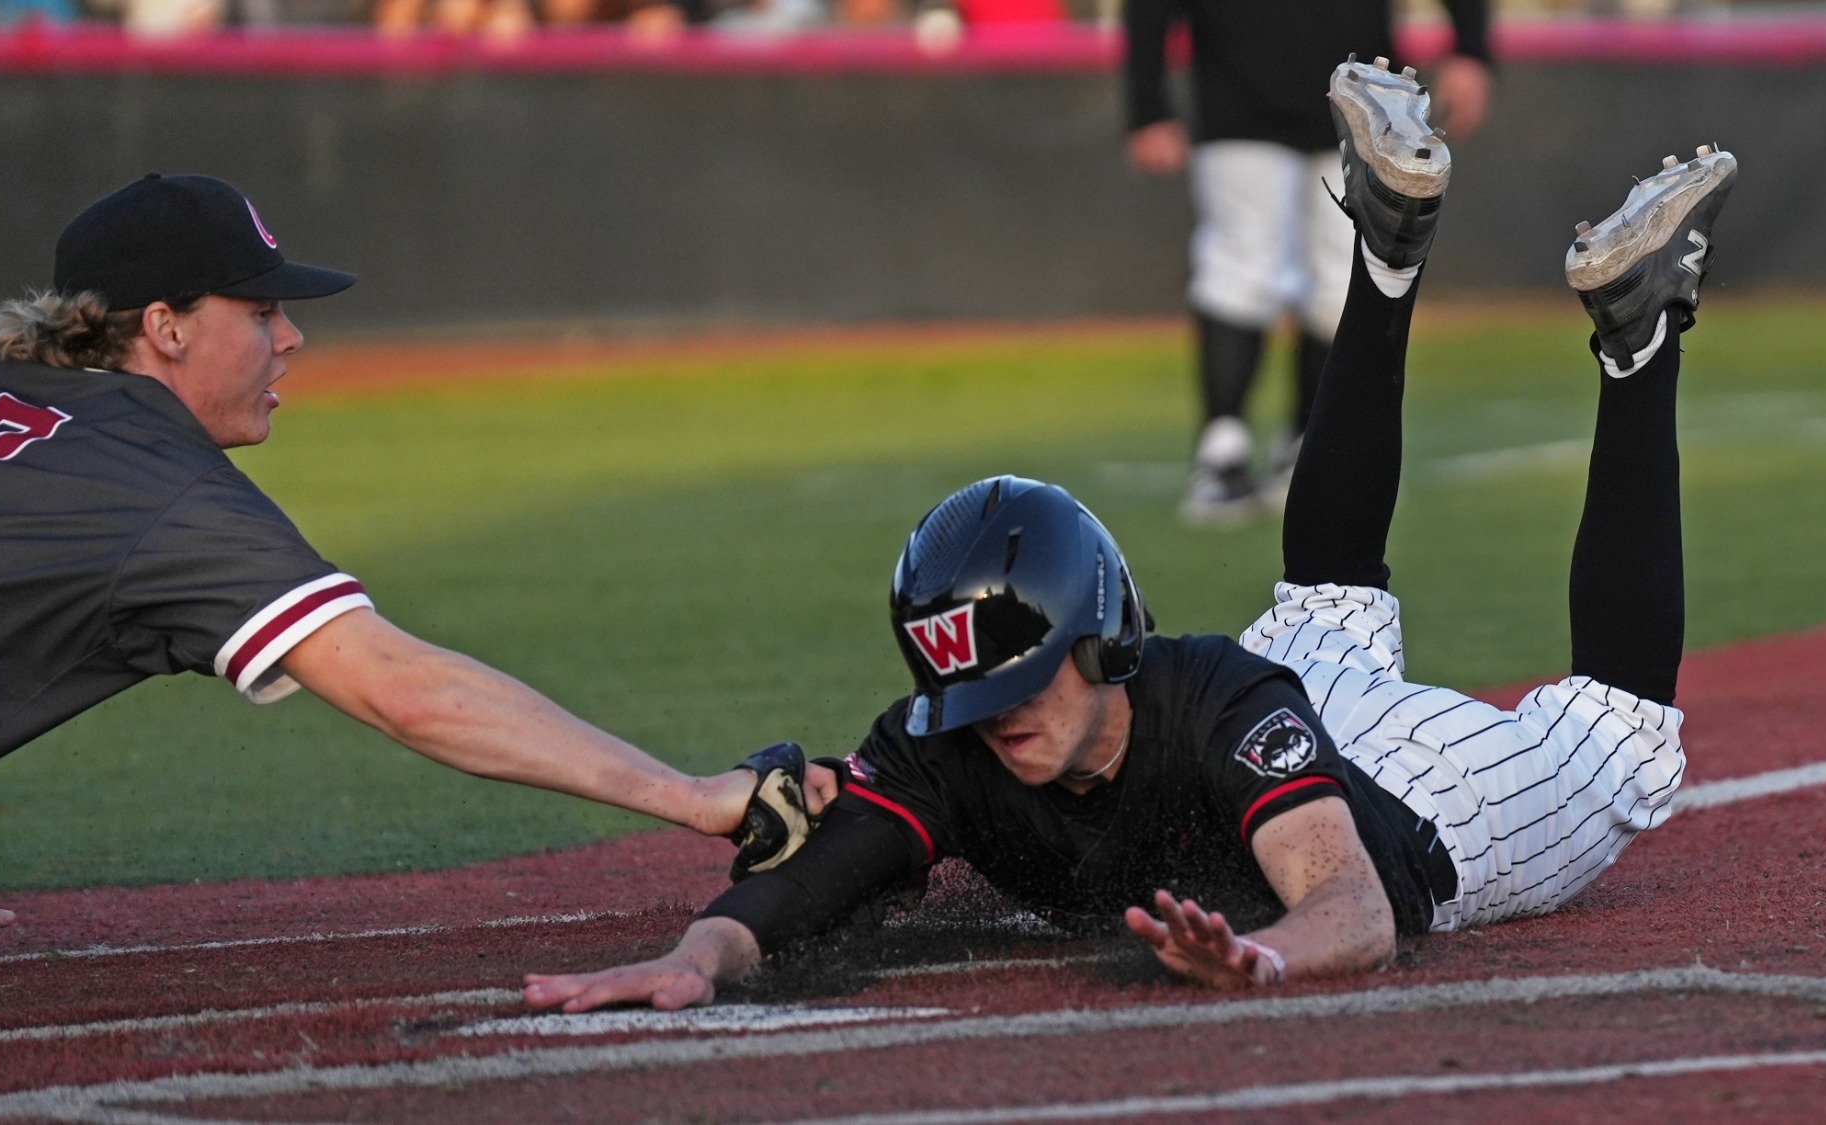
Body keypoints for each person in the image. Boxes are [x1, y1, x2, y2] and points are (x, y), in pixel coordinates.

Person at [523, 60, 1734, 1009]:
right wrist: (698, 954)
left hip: (1409, 795)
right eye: (959, 690)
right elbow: (805, 883)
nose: (988, 714)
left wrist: (1258, 962)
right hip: (1285, 692)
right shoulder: (953, 734)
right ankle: (1382, 255)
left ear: (1098, 636)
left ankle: (1634, 342)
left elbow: (1353, 910)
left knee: (1620, 739)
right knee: (1321, 601)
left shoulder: (1210, 695)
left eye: (1011, 674)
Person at [0, 173, 831, 932]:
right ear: (167, 327)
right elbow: (407, 689)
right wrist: (695, 796)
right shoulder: (160, 492)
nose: (290, 338)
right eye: (260, 311)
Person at [1122, 0, 1492, 524]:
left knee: (1345, 276)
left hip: (1364, 91)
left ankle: (1309, 444)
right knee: (1242, 268)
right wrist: (1147, 104)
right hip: (1237, 90)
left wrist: (1471, 47)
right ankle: (1221, 451)